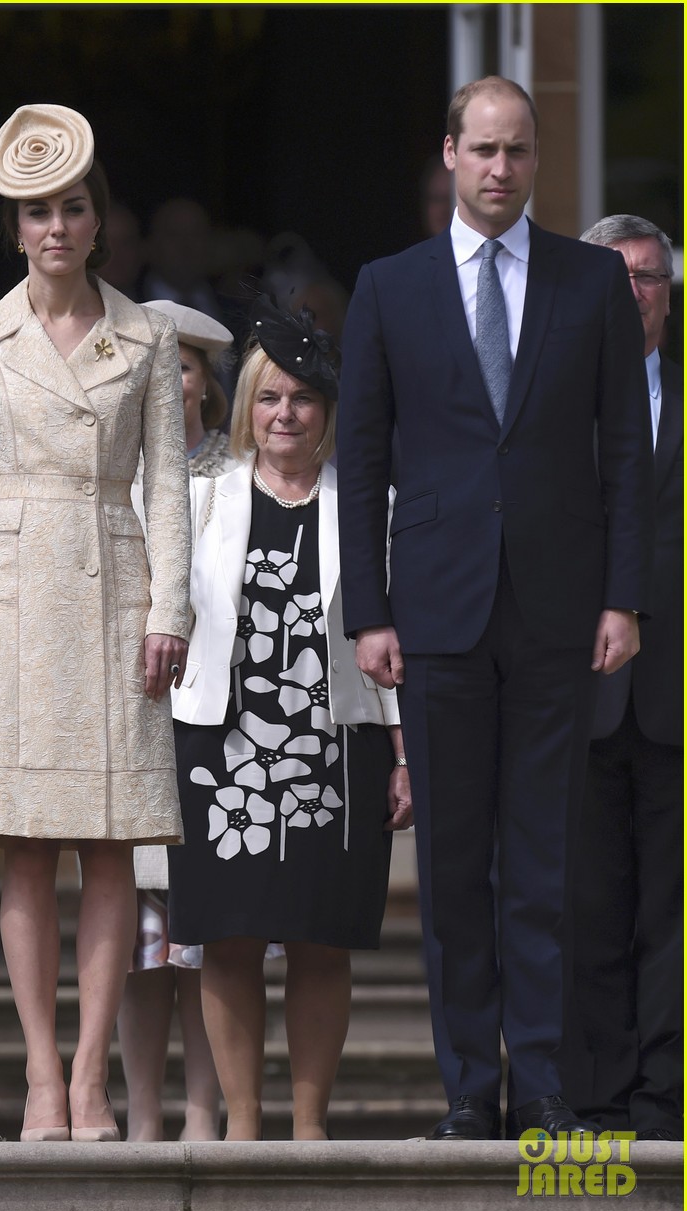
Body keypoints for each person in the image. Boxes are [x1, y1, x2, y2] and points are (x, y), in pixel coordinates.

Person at [336, 77, 655, 1141]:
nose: (500, 168)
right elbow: (362, 457)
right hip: (434, 612)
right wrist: (369, 613)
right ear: (451, 155)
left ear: (535, 158)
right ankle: (471, 1091)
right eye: (483, 149)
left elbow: (626, 452)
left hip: (561, 609)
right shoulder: (390, 286)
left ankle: (547, 1088)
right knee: (454, 865)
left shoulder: (591, 279)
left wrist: (623, 597)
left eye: (517, 150)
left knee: (545, 861)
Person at [0, 104, 191, 1143]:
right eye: (38, 212)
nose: (57, 227)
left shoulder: (148, 334)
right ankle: (39, 1073)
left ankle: (89, 1077)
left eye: (73, 207)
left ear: (98, 219)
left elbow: (168, 490)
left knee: (109, 848)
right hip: (16, 594)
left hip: (114, 591)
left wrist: (171, 608)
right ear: (16, 227)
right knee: (25, 849)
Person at [167, 297, 413, 1142]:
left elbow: (395, 644)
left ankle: (309, 1131)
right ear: (245, 405)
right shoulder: (199, 499)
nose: (285, 413)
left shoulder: (371, 505)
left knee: (322, 940)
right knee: (227, 936)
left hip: (336, 742)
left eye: (303, 397)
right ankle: (243, 1128)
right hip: (219, 744)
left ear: (329, 410)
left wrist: (405, 755)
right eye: (269, 396)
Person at [563, 215, 682, 1141]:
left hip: (675, 691)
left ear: (668, 299)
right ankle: (596, 1103)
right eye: (615, 276)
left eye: (648, 278)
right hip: (575, 693)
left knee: (672, 919)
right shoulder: (547, 407)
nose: (633, 292)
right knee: (588, 910)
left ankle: (666, 1101)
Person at [120, 302, 236, 1142]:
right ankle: (141, 1119)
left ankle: (204, 1113)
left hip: (219, 715)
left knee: (208, 935)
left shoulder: (243, 470)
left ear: (205, 382)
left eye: (182, 368)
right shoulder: (108, 467)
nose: (167, 383)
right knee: (137, 936)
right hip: (131, 709)